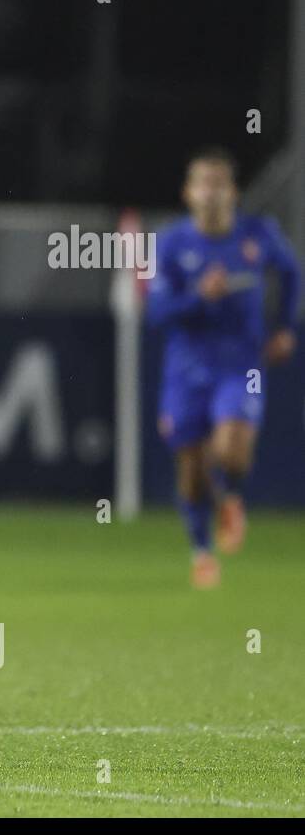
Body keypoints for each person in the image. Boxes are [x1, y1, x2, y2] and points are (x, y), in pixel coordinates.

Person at [147, 147, 300, 589]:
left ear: (232, 192)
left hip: (241, 362)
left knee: (232, 448)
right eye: (203, 184)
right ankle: (201, 551)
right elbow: (157, 313)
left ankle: (231, 496)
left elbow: (291, 274)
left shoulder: (258, 234)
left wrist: (286, 327)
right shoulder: (172, 243)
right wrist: (200, 295)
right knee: (192, 472)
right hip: (186, 368)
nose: (211, 193)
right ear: (188, 193)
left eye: (219, 184)